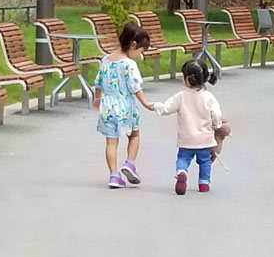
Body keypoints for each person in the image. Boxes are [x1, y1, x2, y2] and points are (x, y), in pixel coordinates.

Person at [93, 22, 155, 189]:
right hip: (125, 105)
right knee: (134, 135)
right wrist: (146, 103)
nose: (140, 55)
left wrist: (97, 99)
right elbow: (136, 87)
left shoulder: (105, 59)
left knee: (111, 143)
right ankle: (130, 163)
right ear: (133, 45)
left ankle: (114, 176)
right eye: (141, 51)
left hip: (107, 106)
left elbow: (98, 82)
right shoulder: (129, 64)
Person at [154, 59, 229, 195]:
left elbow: (166, 108)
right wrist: (217, 126)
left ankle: (181, 172)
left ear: (187, 80)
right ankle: (204, 183)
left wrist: (155, 106)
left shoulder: (181, 97)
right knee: (205, 161)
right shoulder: (209, 97)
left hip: (186, 139)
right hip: (205, 140)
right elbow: (216, 115)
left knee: (183, 159)